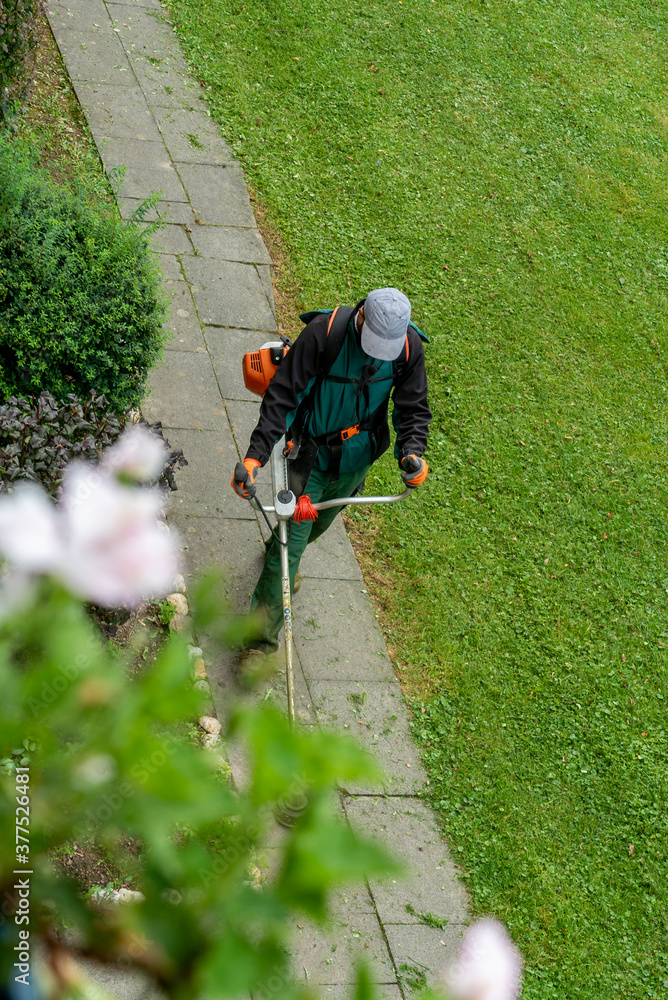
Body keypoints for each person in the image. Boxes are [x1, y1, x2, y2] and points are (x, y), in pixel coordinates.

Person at [231, 287, 431, 665]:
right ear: (361, 318)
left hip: (356, 461)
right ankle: (259, 644)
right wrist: (255, 457)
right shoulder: (324, 335)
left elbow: (413, 407)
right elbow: (282, 398)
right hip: (309, 457)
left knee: (314, 530)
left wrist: (412, 453)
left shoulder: (407, 348)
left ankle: (282, 552)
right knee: (289, 552)